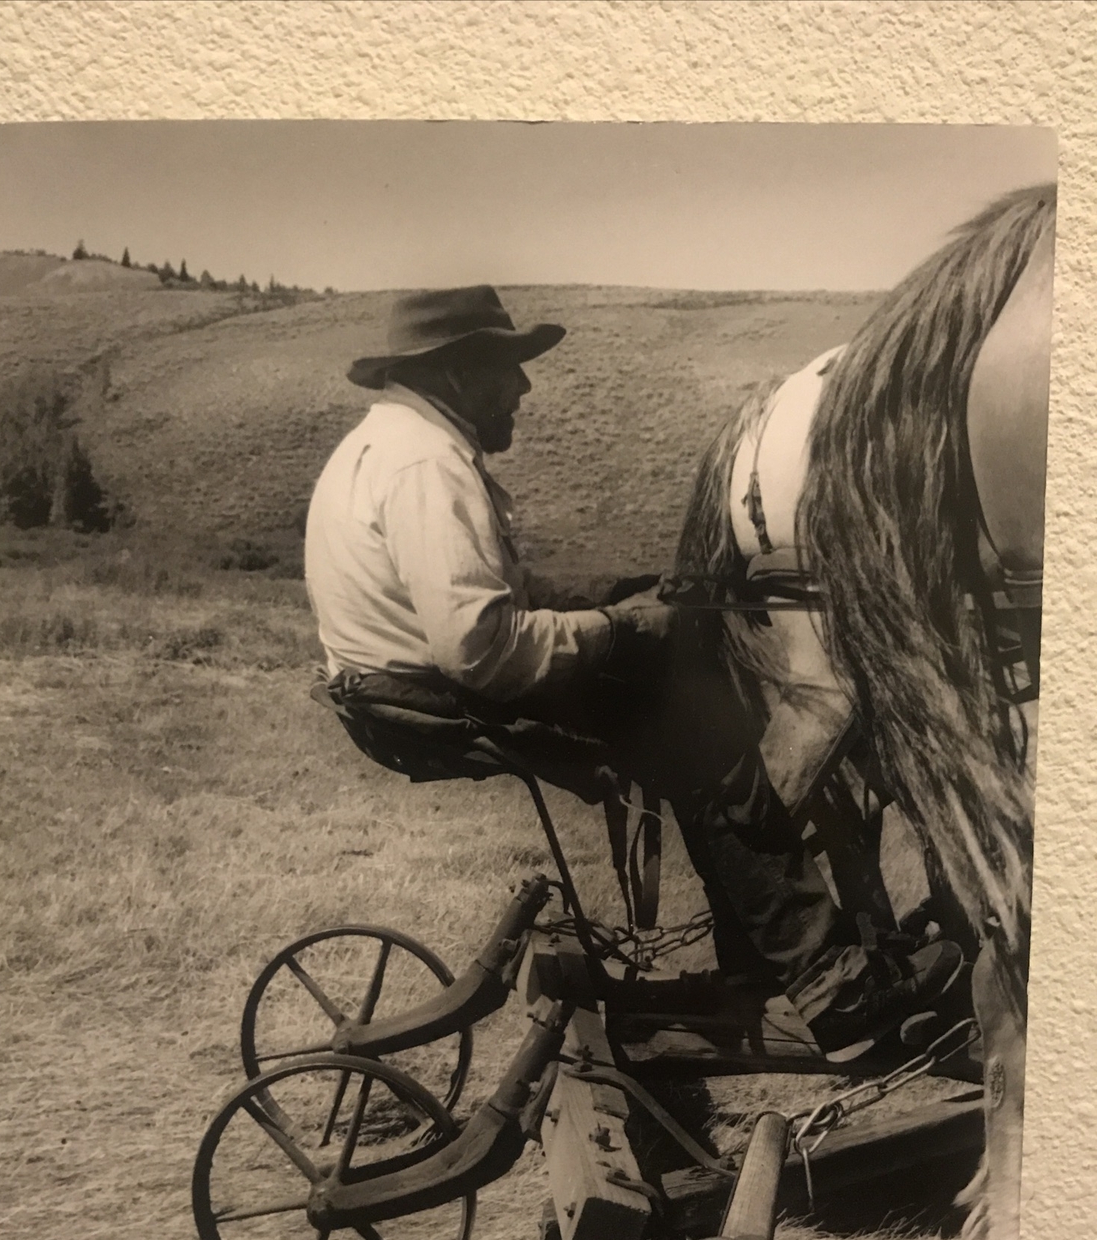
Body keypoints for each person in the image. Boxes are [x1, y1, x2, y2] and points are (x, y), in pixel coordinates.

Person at [304, 286, 962, 1062]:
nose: (522, 388)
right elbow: (480, 647)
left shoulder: (389, 443)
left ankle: (767, 967)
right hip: (434, 696)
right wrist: (624, 631)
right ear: (456, 372)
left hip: (395, 691)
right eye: (505, 369)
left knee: (682, 715)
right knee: (701, 734)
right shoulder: (427, 464)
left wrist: (615, 593)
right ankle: (836, 991)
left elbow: (487, 601)